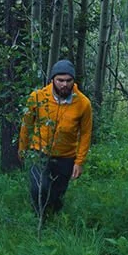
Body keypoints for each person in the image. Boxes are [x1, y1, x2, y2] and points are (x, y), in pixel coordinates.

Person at [17, 59, 93, 218]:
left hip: (66, 156)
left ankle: (53, 221)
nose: (64, 84)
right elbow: (26, 125)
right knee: (39, 188)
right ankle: (38, 219)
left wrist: (79, 162)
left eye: (68, 80)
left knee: (57, 196)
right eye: (60, 80)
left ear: (73, 81)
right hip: (39, 152)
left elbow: (86, 133)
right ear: (52, 79)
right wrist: (22, 148)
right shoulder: (38, 97)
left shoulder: (83, 103)